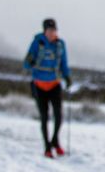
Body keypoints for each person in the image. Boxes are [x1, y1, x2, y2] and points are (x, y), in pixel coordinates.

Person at [23, 18, 72, 158]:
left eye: (54, 30)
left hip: (54, 84)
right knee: (44, 117)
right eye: (49, 30)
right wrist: (30, 61)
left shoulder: (60, 44)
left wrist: (67, 77)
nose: (52, 33)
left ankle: (55, 141)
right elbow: (26, 64)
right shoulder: (37, 42)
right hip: (38, 85)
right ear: (44, 31)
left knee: (59, 116)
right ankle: (47, 147)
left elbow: (64, 63)